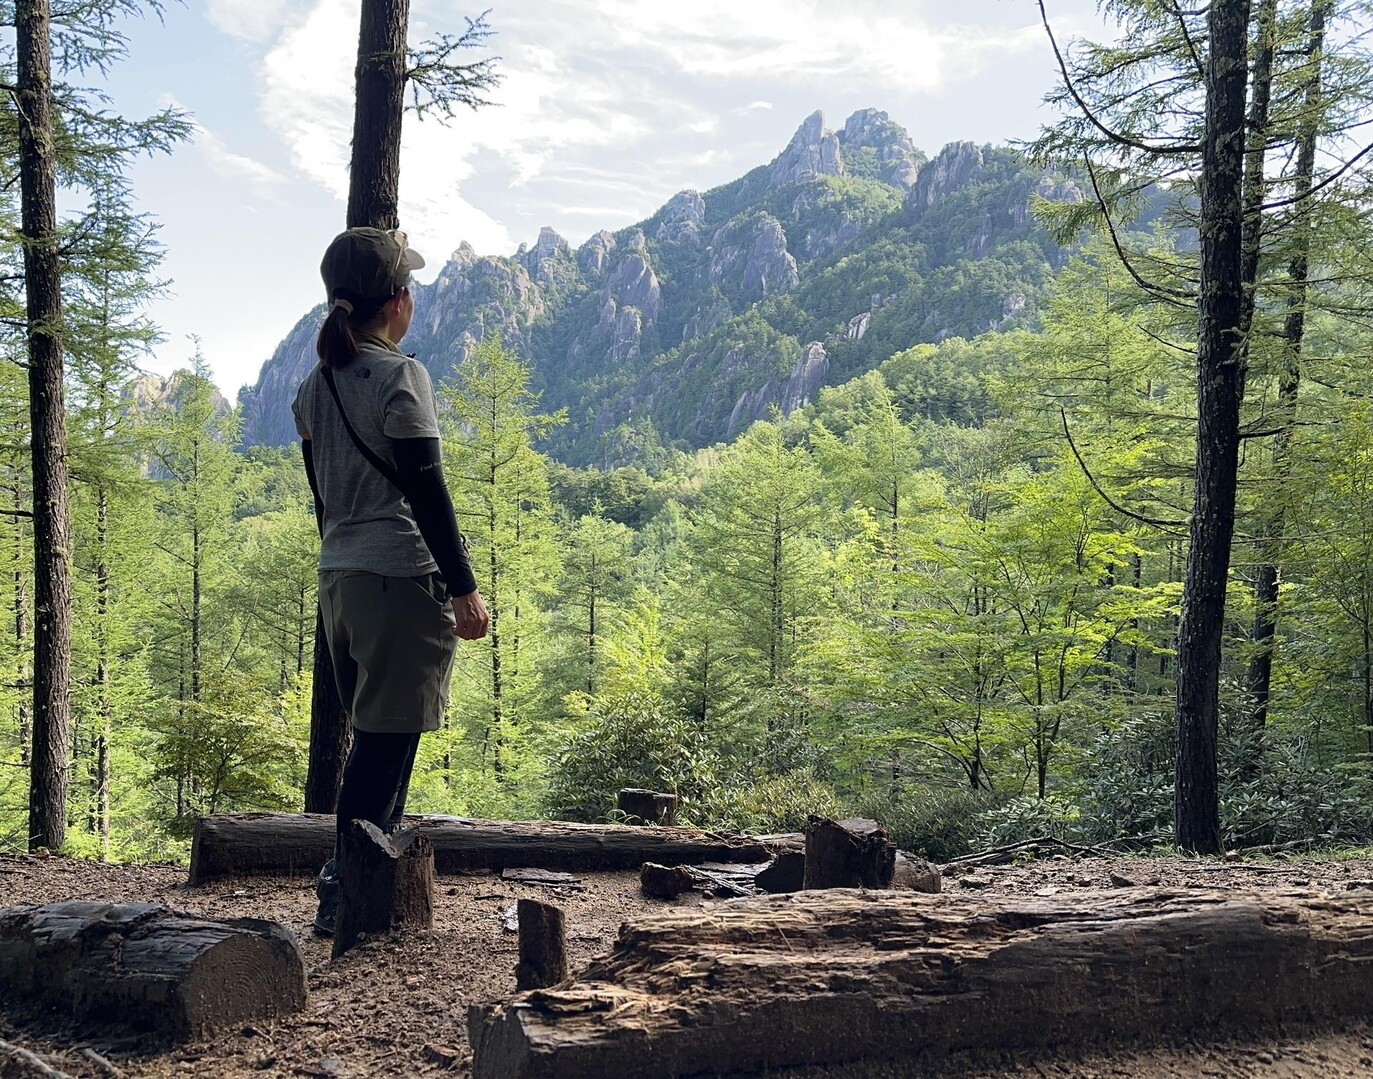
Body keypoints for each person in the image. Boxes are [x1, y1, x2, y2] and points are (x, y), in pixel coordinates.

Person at [292, 226, 489, 936]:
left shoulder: (315, 385)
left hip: (339, 583)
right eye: (408, 286)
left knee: (377, 739)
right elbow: (427, 490)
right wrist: (463, 587)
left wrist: (347, 561)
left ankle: (357, 889)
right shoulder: (401, 376)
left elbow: (322, 499)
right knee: (385, 745)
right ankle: (346, 892)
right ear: (396, 301)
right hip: (398, 581)